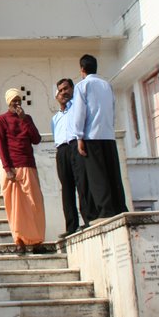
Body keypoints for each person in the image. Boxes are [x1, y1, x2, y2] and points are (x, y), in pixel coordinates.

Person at [71, 54, 128, 220]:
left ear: (82, 69)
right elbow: (112, 108)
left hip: (91, 135)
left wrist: (79, 136)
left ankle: (106, 210)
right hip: (108, 135)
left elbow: (80, 113)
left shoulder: (82, 86)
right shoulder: (106, 85)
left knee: (97, 175)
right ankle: (119, 206)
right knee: (113, 172)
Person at [0, 88, 46, 255]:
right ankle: (20, 242)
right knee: (16, 208)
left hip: (28, 166)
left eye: (18, 100)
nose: (16, 103)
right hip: (13, 169)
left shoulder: (27, 119)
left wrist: (25, 120)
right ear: (8, 102)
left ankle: (37, 241)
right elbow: (1, 145)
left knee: (35, 204)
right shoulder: (1, 120)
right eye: (13, 101)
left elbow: (36, 139)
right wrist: (7, 169)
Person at [51, 77, 92, 236]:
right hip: (62, 150)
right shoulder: (55, 118)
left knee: (82, 183)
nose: (64, 93)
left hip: (75, 146)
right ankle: (71, 226)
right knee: (67, 188)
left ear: (72, 89)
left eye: (66, 89)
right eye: (60, 91)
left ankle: (88, 220)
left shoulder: (76, 107)